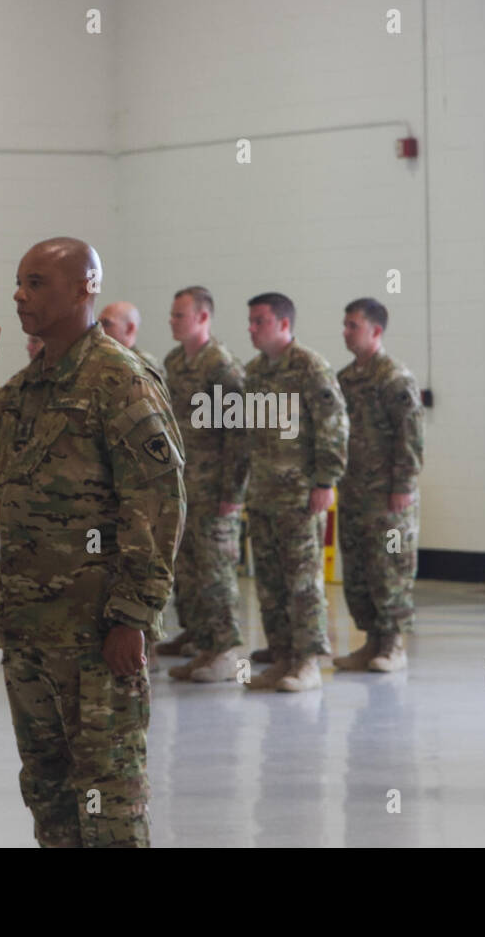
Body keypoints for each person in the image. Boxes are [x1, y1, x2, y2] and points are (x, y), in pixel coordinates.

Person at [0, 237, 185, 847]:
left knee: (109, 799)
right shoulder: (27, 388)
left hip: (96, 634)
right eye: (19, 282)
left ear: (85, 289)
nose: (19, 296)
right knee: (49, 797)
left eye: (36, 283)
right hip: (29, 632)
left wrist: (133, 616)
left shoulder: (119, 380)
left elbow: (157, 503)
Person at [241, 292, 348, 692]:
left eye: (260, 321)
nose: (252, 329)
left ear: (284, 324)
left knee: (303, 583)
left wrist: (325, 481)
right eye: (250, 321)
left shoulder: (309, 367)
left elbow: (333, 426)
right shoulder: (254, 372)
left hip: (300, 496)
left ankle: (307, 662)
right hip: (263, 494)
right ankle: (282, 656)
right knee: (269, 585)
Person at [160, 286, 250, 681]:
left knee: (216, 572)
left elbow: (239, 437)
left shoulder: (221, 367)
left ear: (202, 318)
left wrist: (233, 492)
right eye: (172, 314)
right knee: (189, 570)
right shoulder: (175, 362)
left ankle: (226, 652)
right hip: (183, 486)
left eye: (179, 315)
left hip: (214, 488)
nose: (172, 321)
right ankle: (201, 640)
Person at [331, 298, 424, 673]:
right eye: (345, 325)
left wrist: (403, 485)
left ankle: (393, 644)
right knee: (358, 571)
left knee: (389, 569)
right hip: (354, 491)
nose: (345, 332)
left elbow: (410, 436)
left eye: (353, 326)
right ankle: (371, 641)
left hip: (388, 496)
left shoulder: (394, 377)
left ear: (376, 331)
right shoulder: (345, 379)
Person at [100, 301, 166, 381]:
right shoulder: (101, 358)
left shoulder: (143, 363)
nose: (100, 329)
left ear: (129, 328)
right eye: (98, 324)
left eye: (106, 324)